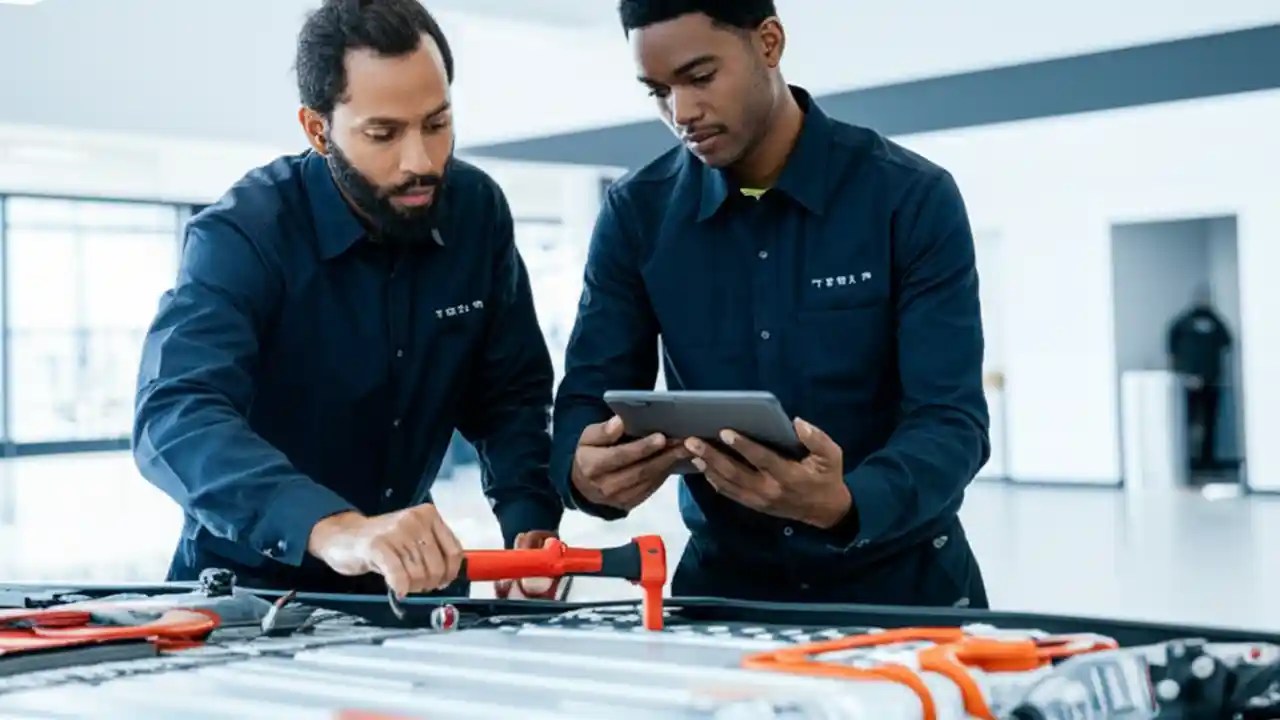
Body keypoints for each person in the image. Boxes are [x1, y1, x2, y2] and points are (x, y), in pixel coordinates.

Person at [551, 0, 991, 607]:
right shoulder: (637, 216)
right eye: (657, 91)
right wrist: (583, 474)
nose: (681, 113)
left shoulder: (910, 198)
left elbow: (952, 421)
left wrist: (848, 502)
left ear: (769, 43)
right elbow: (586, 397)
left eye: (700, 77)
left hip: (901, 589)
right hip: (724, 597)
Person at [133, 0, 562, 600]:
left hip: (409, 582)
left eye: (437, 124)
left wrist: (529, 528)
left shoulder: (477, 211)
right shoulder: (244, 233)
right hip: (249, 589)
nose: (421, 161)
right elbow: (176, 415)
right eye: (383, 134)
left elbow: (509, 394)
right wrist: (334, 529)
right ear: (317, 129)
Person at [1167, 286, 1233, 470]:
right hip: (1189, 381)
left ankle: (1207, 460)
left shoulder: (1215, 322)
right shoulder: (1183, 323)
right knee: (1188, 423)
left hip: (1212, 380)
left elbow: (1227, 341)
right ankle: (1188, 461)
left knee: (1210, 423)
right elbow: (1173, 348)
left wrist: (1214, 316)